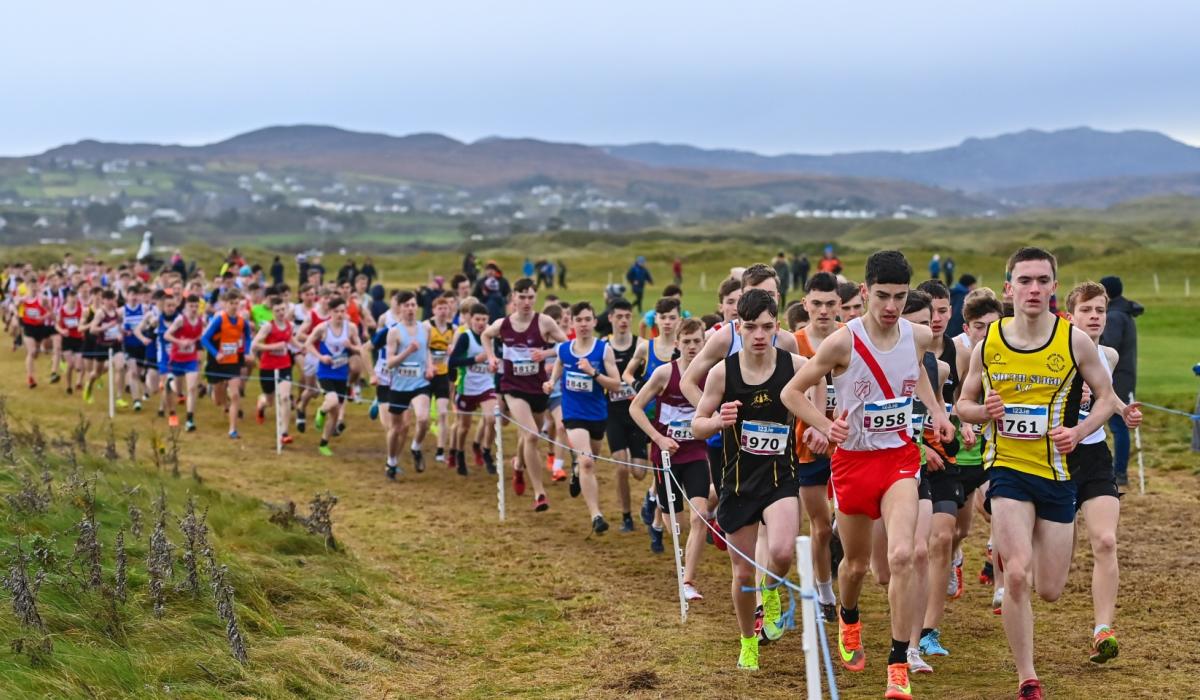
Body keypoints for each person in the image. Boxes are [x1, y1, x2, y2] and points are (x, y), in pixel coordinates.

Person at [956, 247, 1142, 699]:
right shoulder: (990, 342)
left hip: (1059, 473)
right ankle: (1027, 678)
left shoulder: (1073, 341)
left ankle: (1035, 565)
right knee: (1017, 573)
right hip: (1008, 469)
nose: (1033, 289)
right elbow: (963, 404)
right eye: (1025, 280)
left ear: (1054, 288)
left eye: (1042, 280)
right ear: (1009, 287)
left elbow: (1104, 397)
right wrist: (983, 411)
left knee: (1051, 588)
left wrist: (1078, 433)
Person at [782, 250, 953, 700]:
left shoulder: (917, 336)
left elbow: (916, 374)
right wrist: (824, 425)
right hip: (853, 462)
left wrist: (936, 412)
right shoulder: (843, 342)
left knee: (902, 557)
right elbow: (792, 392)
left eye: (899, 297)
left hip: (898, 458)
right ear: (864, 292)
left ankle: (898, 663)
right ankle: (849, 616)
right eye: (882, 296)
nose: (891, 306)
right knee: (855, 565)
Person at [692, 289, 807, 672]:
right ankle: (747, 641)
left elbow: (825, 385)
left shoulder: (794, 365)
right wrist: (717, 421)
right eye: (751, 327)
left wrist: (819, 427)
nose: (759, 334)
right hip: (738, 482)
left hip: (781, 477)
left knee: (782, 552)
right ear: (737, 328)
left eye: (766, 327)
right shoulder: (723, 372)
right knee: (741, 573)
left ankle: (771, 594)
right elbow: (696, 425)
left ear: (776, 326)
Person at [629, 317, 710, 601]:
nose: (691, 347)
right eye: (686, 342)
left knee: (700, 517)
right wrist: (658, 438)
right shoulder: (664, 373)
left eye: (696, 341)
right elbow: (636, 408)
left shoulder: (712, 374)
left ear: (704, 342)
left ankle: (688, 580)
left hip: (696, 452)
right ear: (677, 344)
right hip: (665, 456)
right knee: (675, 524)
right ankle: (658, 519)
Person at [1065, 281, 1125, 664]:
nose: (1094, 317)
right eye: (1086, 310)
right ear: (1071, 315)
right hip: (1056, 457)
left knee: (1105, 541)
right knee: (1053, 563)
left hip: (1095, 456)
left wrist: (1123, 410)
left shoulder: (1110, 355)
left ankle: (1103, 629)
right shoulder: (1057, 352)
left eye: (1100, 310)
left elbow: (1108, 395)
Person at [482, 278, 569, 511]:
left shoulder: (545, 322)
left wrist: (546, 353)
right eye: (522, 297)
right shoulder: (504, 324)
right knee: (532, 435)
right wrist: (491, 357)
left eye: (531, 297)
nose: (527, 302)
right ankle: (540, 493)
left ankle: (519, 465)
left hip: (538, 388)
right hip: (513, 388)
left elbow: (567, 345)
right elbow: (485, 335)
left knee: (527, 435)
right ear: (513, 298)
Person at [790, 272, 842, 622]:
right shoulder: (793, 343)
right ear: (805, 304)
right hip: (805, 446)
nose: (823, 310)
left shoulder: (850, 338)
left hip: (848, 445)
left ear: (840, 305)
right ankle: (824, 593)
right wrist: (813, 426)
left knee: (852, 521)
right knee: (820, 527)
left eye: (830, 304)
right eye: (817, 303)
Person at [545, 301, 623, 533]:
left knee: (589, 461)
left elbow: (617, 385)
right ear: (572, 323)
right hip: (573, 414)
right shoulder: (564, 349)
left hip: (597, 415)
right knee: (587, 460)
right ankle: (596, 515)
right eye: (579, 320)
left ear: (594, 322)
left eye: (588, 319)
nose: (584, 324)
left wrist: (594, 372)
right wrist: (550, 383)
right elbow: (558, 369)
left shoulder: (603, 349)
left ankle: (576, 472)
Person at [603, 299, 650, 532]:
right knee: (621, 467)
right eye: (619, 316)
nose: (623, 321)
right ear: (610, 318)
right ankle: (626, 517)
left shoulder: (642, 345)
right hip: (613, 414)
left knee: (640, 473)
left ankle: (645, 506)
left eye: (627, 316)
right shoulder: (603, 345)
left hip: (637, 415)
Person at [386, 291, 435, 475]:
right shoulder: (394, 332)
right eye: (406, 305)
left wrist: (429, 366)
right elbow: (390, 363)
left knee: (423, 418)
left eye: (413, 305)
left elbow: (426, 350)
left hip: (419, 383)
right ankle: (391, 460)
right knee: (396, 428)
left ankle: (416, 447)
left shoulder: (426, 328)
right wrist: (407, 351)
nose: (410, 309)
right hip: (399, 386)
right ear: (400, 308)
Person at [305, 297, 362, 457]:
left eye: (342, 311)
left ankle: (324, 443)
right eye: (336, 311)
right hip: (325, 373)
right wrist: (321, 357)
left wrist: (351, 347)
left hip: (341, 375)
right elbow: (308, 344)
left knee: (335, 414)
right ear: (330, 312)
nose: (339, 314)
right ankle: (321, 412)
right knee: (332, 401)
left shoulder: (351, 328)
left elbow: (362, 348)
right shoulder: (322, 328)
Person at [1098, 275, 1141, 486]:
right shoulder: (1124, 312)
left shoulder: (1114, 316)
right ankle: (1119, 469)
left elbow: (1108, 347)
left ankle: (1120, 471)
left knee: (1118, 425)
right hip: (1124, 375)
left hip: (1116, 378)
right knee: (1118, 426)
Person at [448, 303, 499, 476]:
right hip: (466, 387)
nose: (481, 323)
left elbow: (499, 357)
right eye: (477, 319)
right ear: (470, 319)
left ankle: (486, 451)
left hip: (486, 385)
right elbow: (452, 362)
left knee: (491, 419)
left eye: (484, 319)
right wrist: (474, 360)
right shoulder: (465, 337)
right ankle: (460, 453)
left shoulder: (492, 337)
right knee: (464, 427)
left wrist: (494, 365)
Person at [201, 291, 252, 439]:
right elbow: (204, 339)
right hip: (216, 361)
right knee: (218, 401)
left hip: (233, 360)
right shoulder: (219, 320)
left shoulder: (242, 322)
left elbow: (248, 337)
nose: (234, 307)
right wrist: (216, 353)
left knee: (235, 395)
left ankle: (232, 430)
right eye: (231, 304)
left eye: (237, 304)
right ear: (225, 304)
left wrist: (247, 351)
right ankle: (213, 389)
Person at [252, 295, 295, 444]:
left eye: (283, 309)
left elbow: (290, 339)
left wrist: (302, 346)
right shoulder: (268, 326)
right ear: (273, 312)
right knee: (269, 401)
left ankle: (284, 433)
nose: (281, 313)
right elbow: (255, 344)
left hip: (284, 366)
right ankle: (261, 405)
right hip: (268, 367)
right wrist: (273, 347)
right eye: (277, 310)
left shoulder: (290, 325)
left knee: (284, 397)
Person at [163, 294, 204, 432]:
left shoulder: (200, 321)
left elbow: (200, 335)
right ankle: (172, 414)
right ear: (186, 306)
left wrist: (198, 341)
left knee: (192, 388)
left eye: (196, 306)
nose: (193, 309)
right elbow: (166, 335)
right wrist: (180, 342)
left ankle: (189, 420)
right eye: (191, 306)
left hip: (191, 359)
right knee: (176, 390)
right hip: (177, 358)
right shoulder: (180, 320)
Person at [426, 295, 456, 466]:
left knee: (444, 413)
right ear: (433, 310)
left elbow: (458, 349)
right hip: (427, 375)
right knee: (422, 416)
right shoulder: (427, 327)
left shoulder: (453, 328)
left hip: (443, 375)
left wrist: (453, 349)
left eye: (446, 308)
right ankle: (417, 443)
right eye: (440, 309)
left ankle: (440, 451)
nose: (443, 312)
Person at [947, 274, 978, 340]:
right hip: (955, 335)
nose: (975, 287)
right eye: (974, 285)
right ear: (970, 285)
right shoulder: (964, 298)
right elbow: (957, 317)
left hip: (947, 332)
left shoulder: (952, 293)